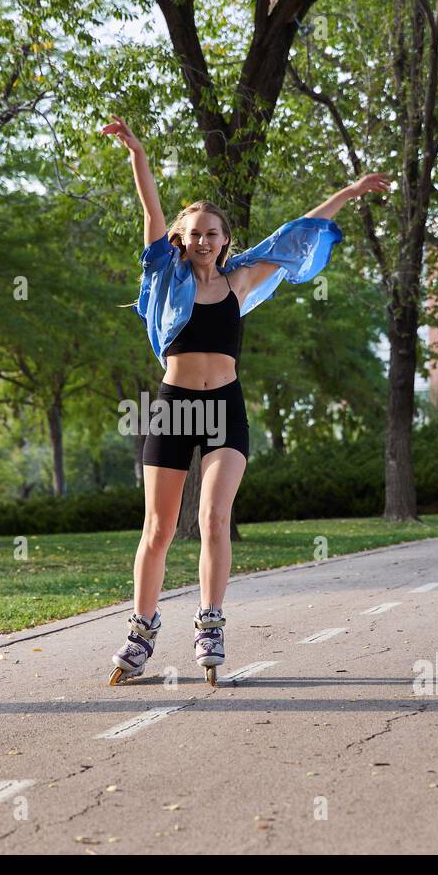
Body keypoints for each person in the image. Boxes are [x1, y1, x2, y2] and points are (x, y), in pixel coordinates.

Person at [101, 114, 389, 685]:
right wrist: (137, 153)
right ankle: (141, 629)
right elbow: (150, 210)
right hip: (174, 407)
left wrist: (350, 194)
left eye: (212, 232)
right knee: (157, 530)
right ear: (181, 240)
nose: (202, 240)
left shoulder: (239, 281)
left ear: (225, 240)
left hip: (224, 408)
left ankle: (210, 623)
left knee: (214, 517)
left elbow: (298, 231)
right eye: (194, 233)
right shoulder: (164, 273)